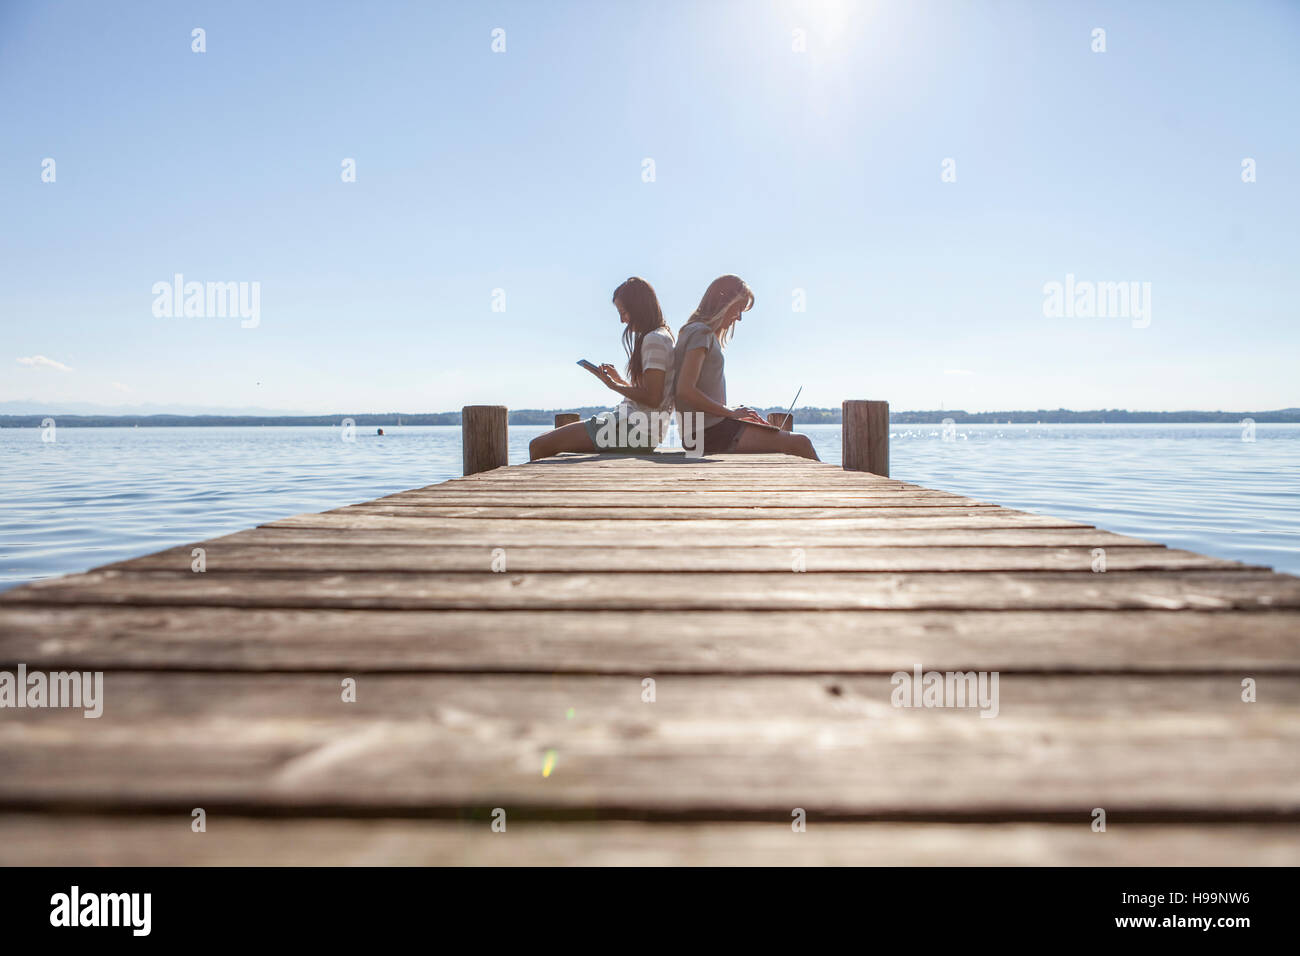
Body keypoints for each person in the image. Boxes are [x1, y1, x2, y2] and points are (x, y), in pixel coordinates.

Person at [672, 274, 819, 459]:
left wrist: (734, 411)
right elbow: (685, 391)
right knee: (801, 443)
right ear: (724, 302)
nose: (739, 318)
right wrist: (730, 413)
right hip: (708, 433)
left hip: (706, 430)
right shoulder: (701, 332)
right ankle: (833, 489)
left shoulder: (695, 331)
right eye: (738, 309)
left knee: (786, 442)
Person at [528, 277, 675, 461]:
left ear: (638, 308)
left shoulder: (654, 339)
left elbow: (653, 398)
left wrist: (613, 385)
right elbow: (650, 394)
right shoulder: (662, 337)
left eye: (624, 312)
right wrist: (621, 382)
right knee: (544, 441)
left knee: (538, 445)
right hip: (635, 429)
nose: (622, 320)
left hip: (633, 430)